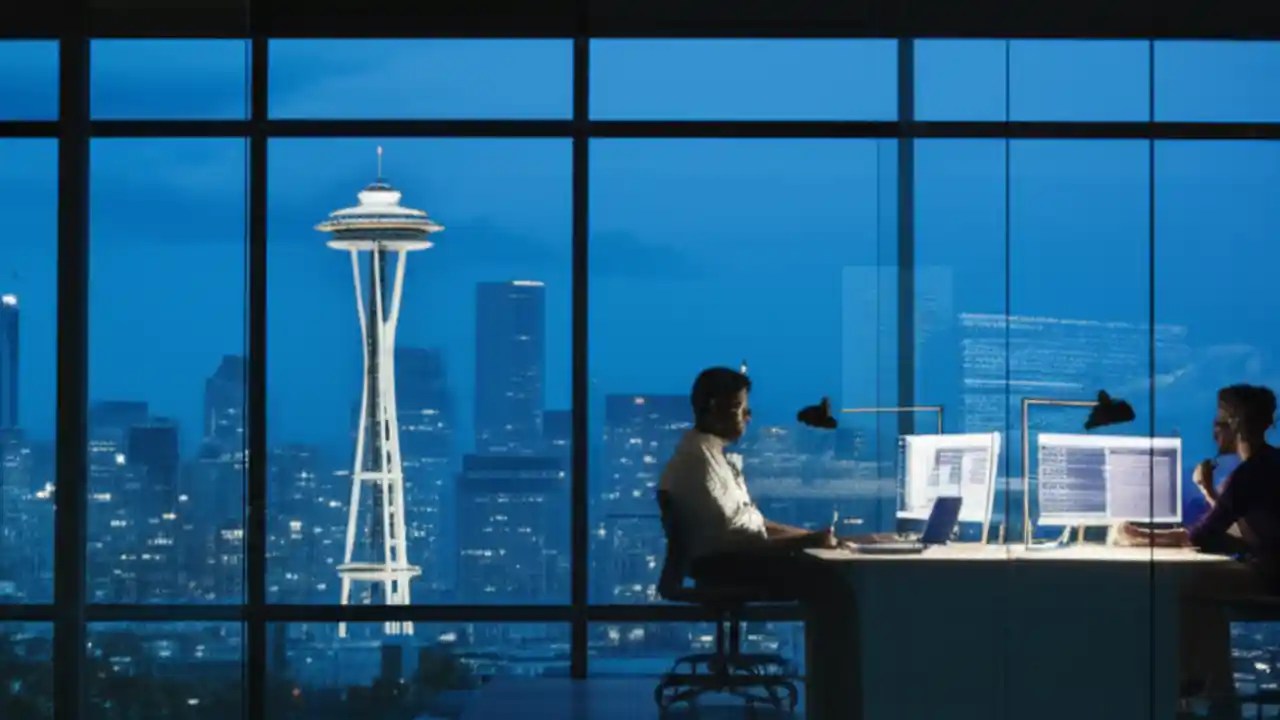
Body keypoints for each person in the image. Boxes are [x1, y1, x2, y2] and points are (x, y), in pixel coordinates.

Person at [1118, 383, 1280, 711]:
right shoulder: (1269, 463)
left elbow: (1203, 536)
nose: (1213, 428)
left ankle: (1195, 684)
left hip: (1271, 576)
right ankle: (1216, 690)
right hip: (1270, 566)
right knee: (1206, 591)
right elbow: (1247, 526)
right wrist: (1209, 492)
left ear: (1234, 424)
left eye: (1219, 420)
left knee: (1185, 589)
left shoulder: (1247, 474)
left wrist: (1137, 537)